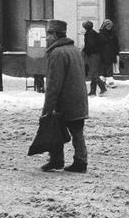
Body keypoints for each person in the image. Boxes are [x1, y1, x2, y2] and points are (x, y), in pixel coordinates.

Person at [39, 20, 89, 173]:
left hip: (65, 100)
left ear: (55, 35)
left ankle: (56, 160)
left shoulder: (57, 53)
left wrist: (47, 108)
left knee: (54, 129)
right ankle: (81, 161)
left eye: (49, 34)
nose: (47, 37)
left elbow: (54, 83)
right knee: (77, 131)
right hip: (79, 98)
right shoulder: (75, 49)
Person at [82, 20, 107, 96]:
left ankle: (103, 88)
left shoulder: (89, 34)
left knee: (94, 73)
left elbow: (90, 45)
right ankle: (93, 91)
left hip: (93, 55)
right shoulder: (92, 33)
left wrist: (85, 51)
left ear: (86, 27)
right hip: (95, 55)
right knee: (93, 73)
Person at [99, 19, 120, 88]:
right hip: (104, 53)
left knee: (108, 67)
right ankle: (109, 81)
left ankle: (103, 81)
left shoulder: (113, 33)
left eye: (110, 25)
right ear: (104, 26)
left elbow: (116, 43)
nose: (109, 27)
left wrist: (117, 52)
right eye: (108, 25)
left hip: (111, 53)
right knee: (106, 67)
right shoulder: (101, 34)